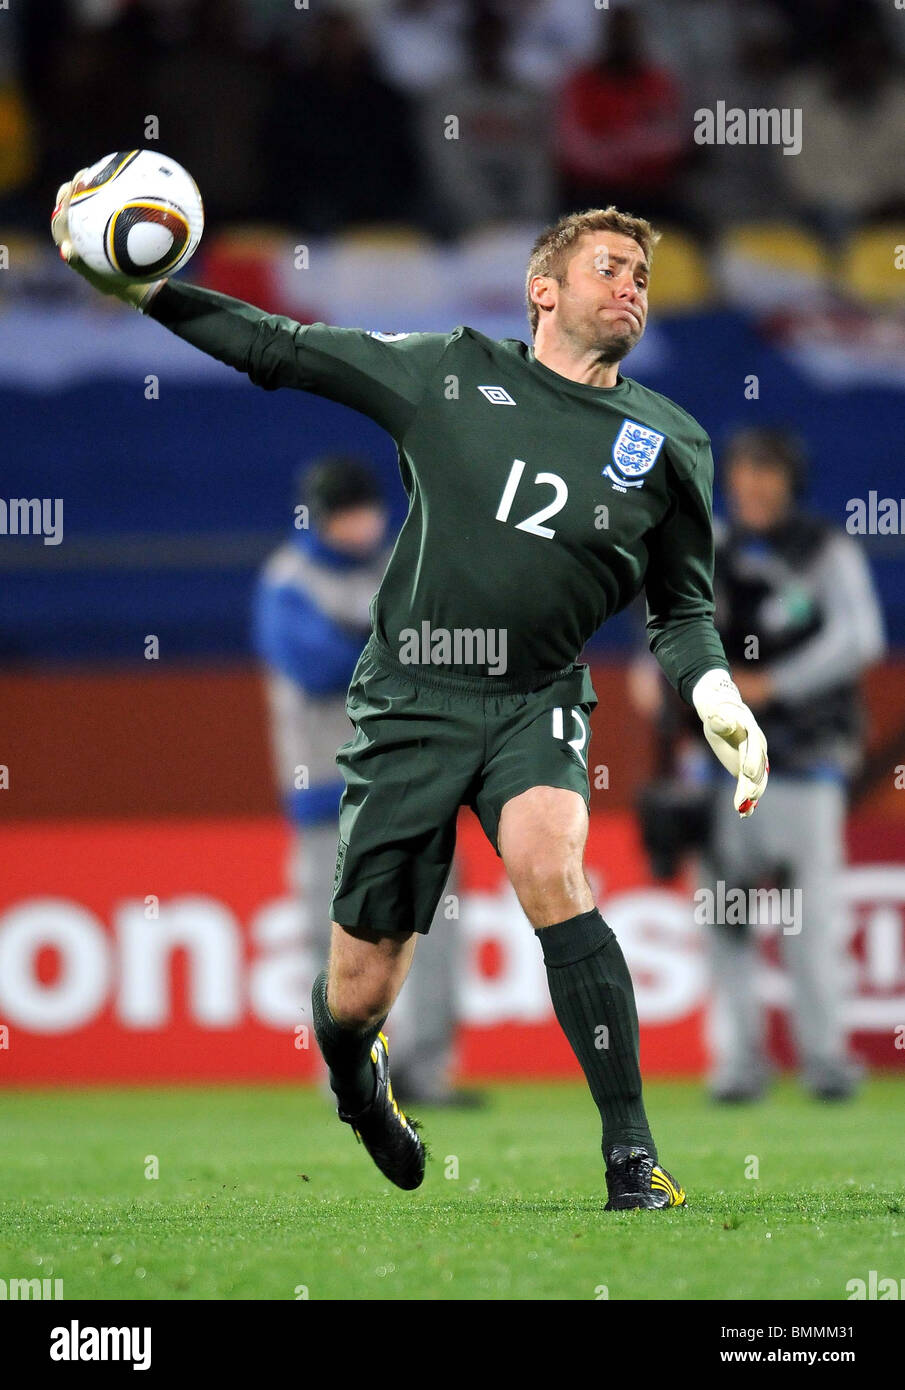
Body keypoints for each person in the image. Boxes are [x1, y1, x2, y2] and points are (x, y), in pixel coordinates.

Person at [53, 180, 770, 1210]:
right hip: (410, 704)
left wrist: (711, 691)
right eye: (606, 267)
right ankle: (357, 1080)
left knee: (551, 867)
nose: (629, 287)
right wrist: (148, 293)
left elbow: (680, 604)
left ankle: (629, 1157)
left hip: (536, 698)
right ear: (540, 288)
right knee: (357, 990)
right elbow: (280, 350)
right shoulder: (444, 372)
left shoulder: (671, 442)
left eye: (642, 275)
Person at [252, 456, 472, 1105]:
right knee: (332, 947)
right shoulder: (288, 581)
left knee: (434, 932)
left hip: (417, 782)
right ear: (319, 518)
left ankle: (427, 1073)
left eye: (363, 509)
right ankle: (347, 1082)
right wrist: (399, 645)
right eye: (343, 513)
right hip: (328, 789)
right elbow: (319, 667)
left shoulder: (401, 565)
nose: (358, 524)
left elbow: (452, 646)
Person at [703, 428, 885, 1101]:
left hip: (804, 760)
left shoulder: (822, 549)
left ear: (789, 480)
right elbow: (671, 624)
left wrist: (775, 685)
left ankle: (824, 1060)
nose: (751, 485)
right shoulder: (710, 548)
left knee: (811, 920)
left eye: (766, 472)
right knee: (723, 917)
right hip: (718, 766)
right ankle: (737, 1064)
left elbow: (859, 637)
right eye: (743, 472)